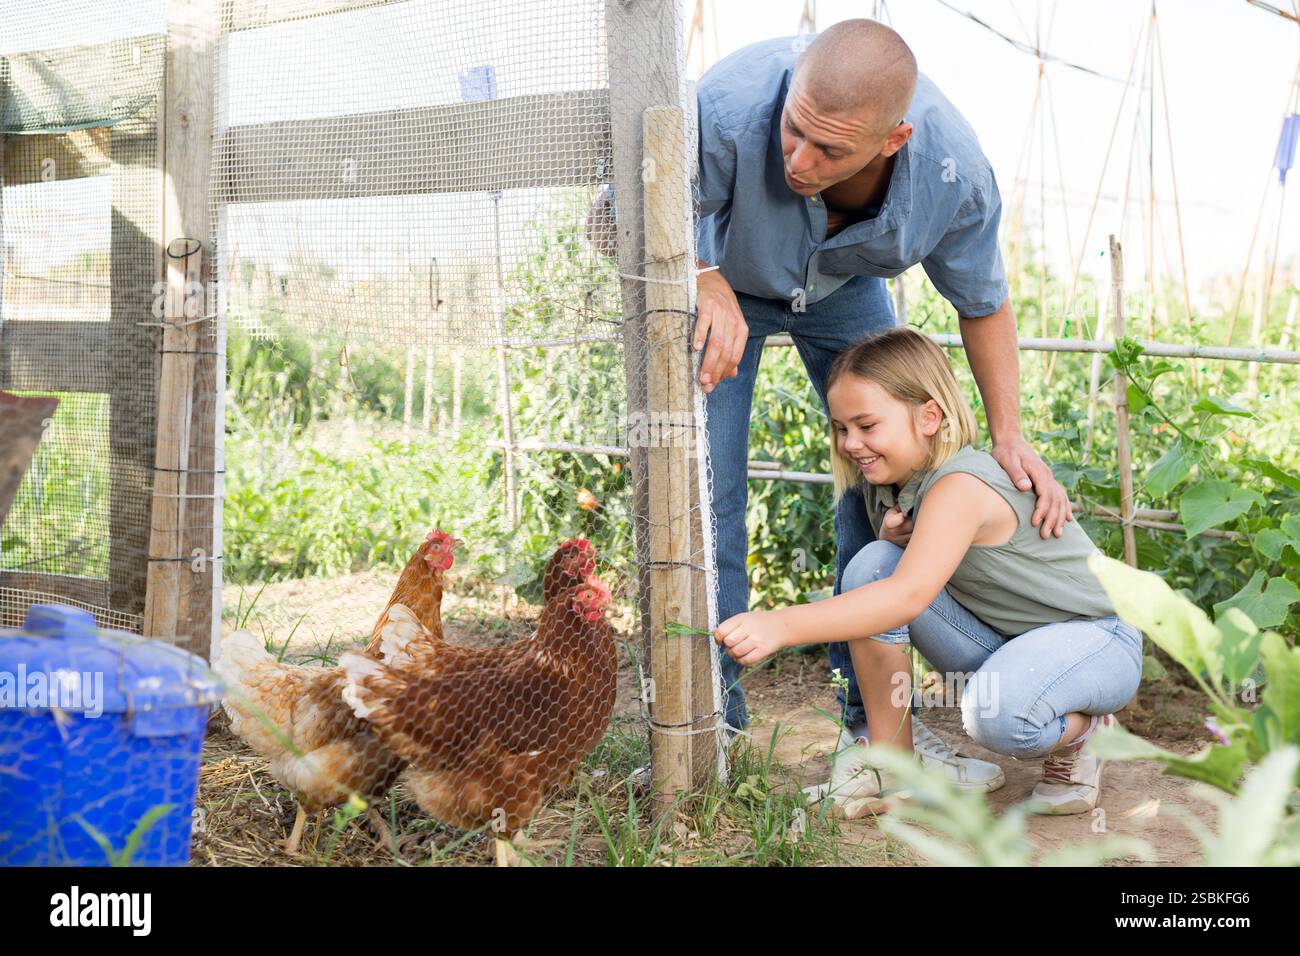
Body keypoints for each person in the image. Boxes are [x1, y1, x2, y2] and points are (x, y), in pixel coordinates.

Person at [690, 20, 1070, 779]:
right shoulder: (726, 106)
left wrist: (1008, 435)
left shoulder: (954, 174)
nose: (800, 161)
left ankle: (870, 735)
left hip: (841, 289)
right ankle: (710, 730)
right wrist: (697, 273)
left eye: (829, 150)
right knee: (706, 495)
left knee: (888, 491)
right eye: (793, 134)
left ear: (892, 140)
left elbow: (983, 303)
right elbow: (621, 212)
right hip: (718, 280)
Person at [713, 327, 1143, 816]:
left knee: (994, 717)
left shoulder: (961, 484)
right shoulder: (892, 485)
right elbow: (891, 588)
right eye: (840, 428)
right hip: (1009, 644)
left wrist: (779, 624)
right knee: (874, 565)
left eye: (867, 425)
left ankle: (1087, 732)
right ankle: (897, 769)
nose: (851, 443)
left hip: (1097, 640)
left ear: (930, 417)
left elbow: (907, 598)